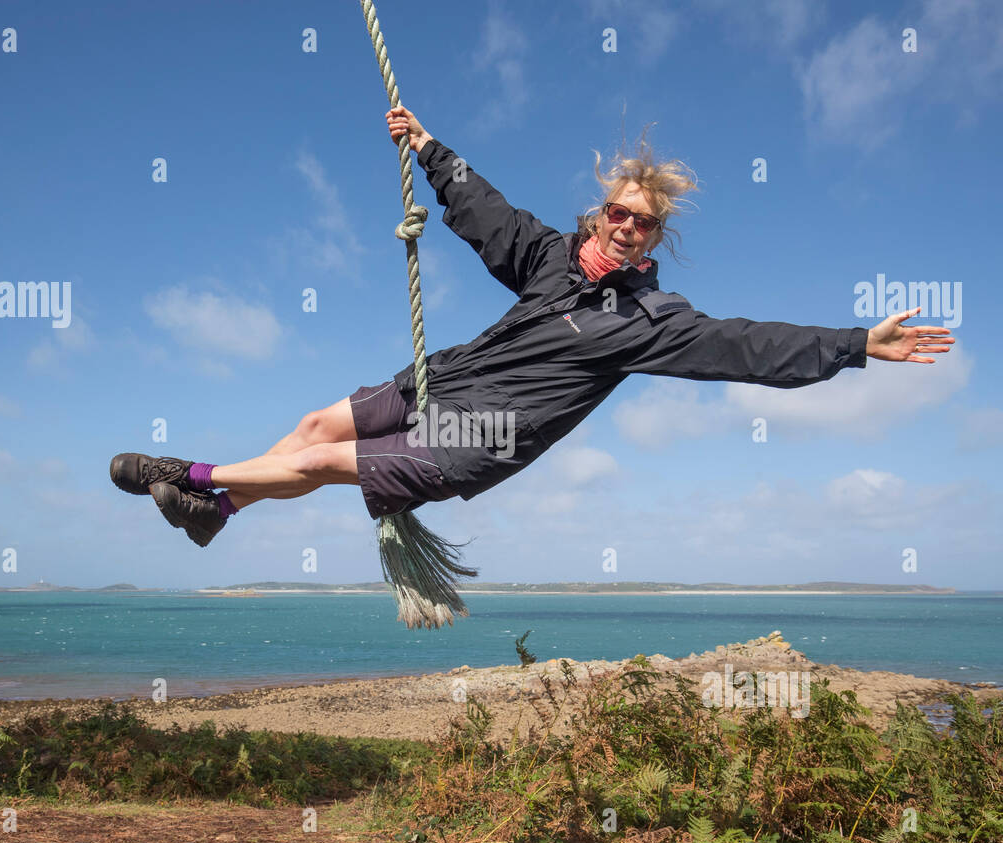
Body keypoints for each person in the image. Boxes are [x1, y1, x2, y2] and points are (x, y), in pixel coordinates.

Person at [110, 106, 954, 547]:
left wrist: (854, 346)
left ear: (657, 239)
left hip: (485, 436)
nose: (629, 227)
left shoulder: (650, 320)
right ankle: (216, 511)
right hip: (441, 382)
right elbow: (488, 213)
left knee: (329, 460)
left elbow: (746, 345)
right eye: (621, 214)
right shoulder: (548, 259)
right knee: (311, 427)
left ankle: (192, 476)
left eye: (645, 224)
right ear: (599, 216)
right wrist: (433, 150)